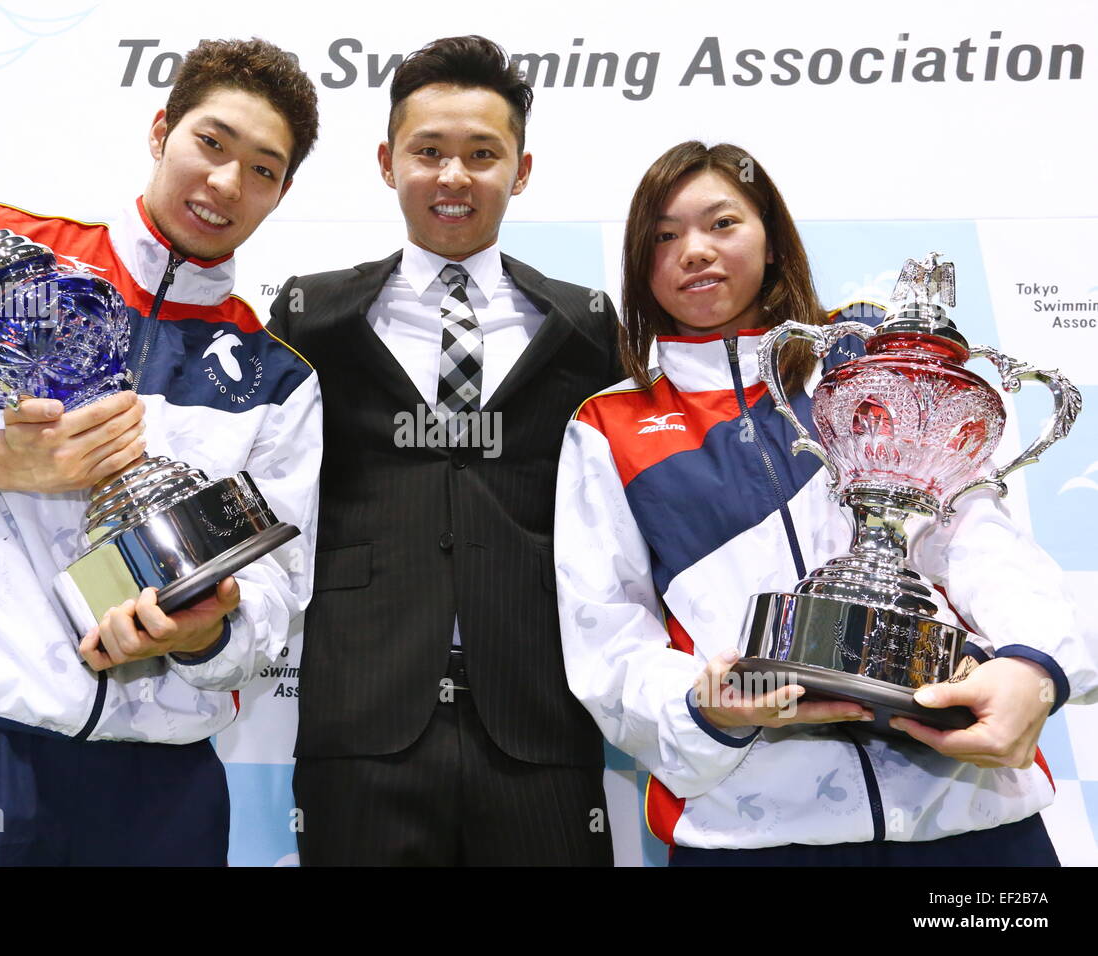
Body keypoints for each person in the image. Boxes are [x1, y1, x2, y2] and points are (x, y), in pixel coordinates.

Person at [0, 38, 322, 866]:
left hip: (157, 784)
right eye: (211, 143)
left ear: (282, 193)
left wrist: (198, 633)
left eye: (262, 169)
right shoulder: (4, 257)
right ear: (161, 131)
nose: (226, 183)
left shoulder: (275, 378)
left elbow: (270, 601)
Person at [555, 140, 1096, 865]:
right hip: (757, 838)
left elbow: (979, 542)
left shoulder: (869, 373)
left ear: (773, 241)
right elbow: (609, 642)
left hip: (970, 818)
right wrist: (704, 707)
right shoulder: (609, 426)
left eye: (722, 224)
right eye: (663, 235)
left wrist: (1036, 668)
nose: (693, 251)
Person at [269, 35, 621, 866]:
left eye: (482, 154)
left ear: (521, 170)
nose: (453, 177)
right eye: (428, 152)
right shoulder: (307, 318)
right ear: (389, 162)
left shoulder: (591, 328)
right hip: (362, 710)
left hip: (542, 712)